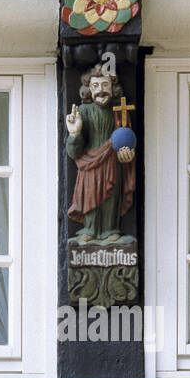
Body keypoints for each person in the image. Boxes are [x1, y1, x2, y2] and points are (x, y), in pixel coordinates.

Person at [65, 62, 135, 243]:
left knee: (110, 196)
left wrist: (126, 154)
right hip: (89, 162)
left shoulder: (119, 111)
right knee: (90, 194)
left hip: (112, 161)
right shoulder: (84, 111)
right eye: (95, 86)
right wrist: (75, 133)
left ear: (113, 88)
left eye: (105, 85)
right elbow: (74, 152)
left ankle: (110, 229)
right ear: (88, 89)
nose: (100, 90)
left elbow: (126, 137)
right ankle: (89, 228)